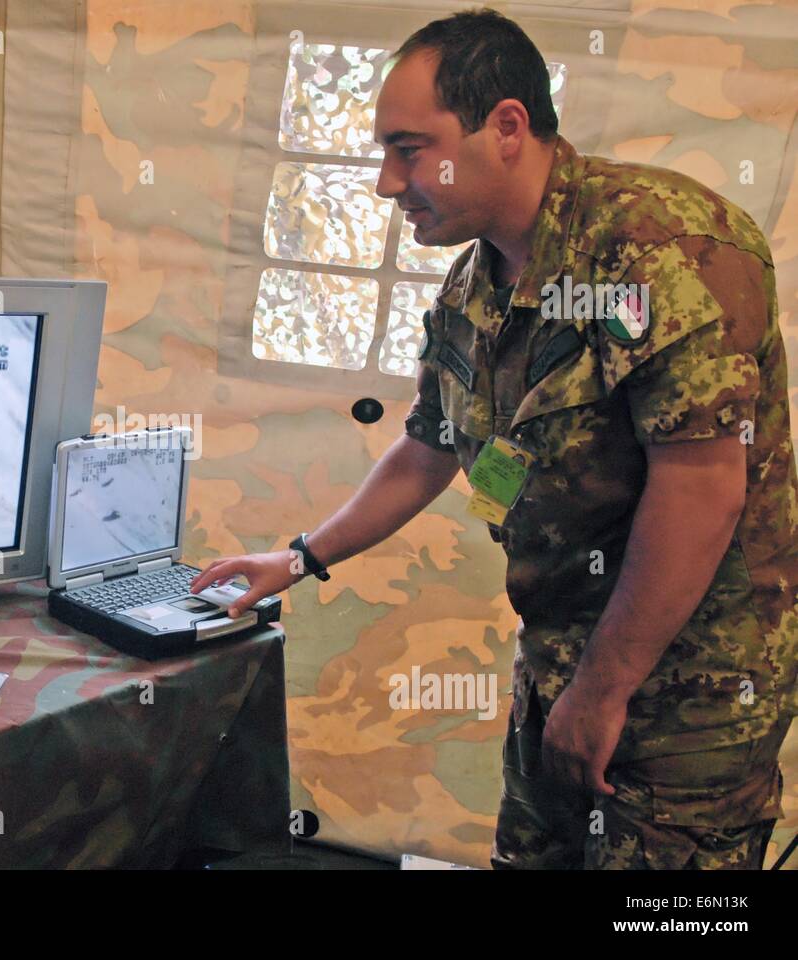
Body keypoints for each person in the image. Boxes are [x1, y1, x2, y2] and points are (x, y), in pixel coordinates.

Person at [191, 7, 797, 869]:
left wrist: (602, 690)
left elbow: (702, 487)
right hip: (562, 668)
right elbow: (428, 450)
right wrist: (294, 558)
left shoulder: (664, 249)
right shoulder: (475, 288)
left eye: (409, 149)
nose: (386, 183)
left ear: (506, 127)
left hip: (689, 701)